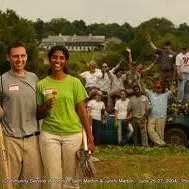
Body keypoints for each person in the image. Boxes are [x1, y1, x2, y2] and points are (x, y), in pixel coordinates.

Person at [36, 45, 94, 189]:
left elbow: (82, 112)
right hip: (49, 134)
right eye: (54, 57)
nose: (58, 60)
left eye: (61, 58)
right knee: (52, 177)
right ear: (50, 59)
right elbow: (37, 114)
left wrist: (90, 137)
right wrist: (45, 107)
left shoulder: (75, 82)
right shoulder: (41, 84)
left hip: (73, 135)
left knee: (71, 178)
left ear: (66, 61)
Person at [0, 42, 43, 189]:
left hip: (33, 140)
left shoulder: (34, 78)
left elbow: (39, 108)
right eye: (15, 56)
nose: (20, 59)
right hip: (10, 140)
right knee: (8, 184)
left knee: (33, 184)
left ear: (26, 56)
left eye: (22, 55)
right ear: (8, 58)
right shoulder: (1, 80)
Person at [142, 81, 172, 146]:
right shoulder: (151, 94)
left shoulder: (165, 95)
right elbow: (143, 88)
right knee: (150, 130)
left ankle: (158, 145)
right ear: (155, 88)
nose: (158, 89)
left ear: (162, 88)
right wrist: (139, 75)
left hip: (161, 116)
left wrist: (166, 88)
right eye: (157, 87)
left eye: (159, 87)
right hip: (152, 116)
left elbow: (171, 92)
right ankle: (162, 143)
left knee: (160, 132)